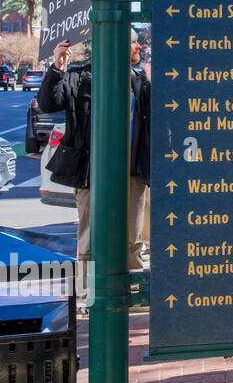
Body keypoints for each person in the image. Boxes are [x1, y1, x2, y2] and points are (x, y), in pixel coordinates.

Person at [39, 30, 151, 275]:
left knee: (132, 239)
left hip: (133, 172)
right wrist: (57, 67)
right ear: (116, 42)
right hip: (92, 172)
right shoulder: (79, 77)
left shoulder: (140, 81)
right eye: (133, 42)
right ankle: (88, 294)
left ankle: (132, 289)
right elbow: (49, 104)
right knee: (90, 238)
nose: (138, 48)